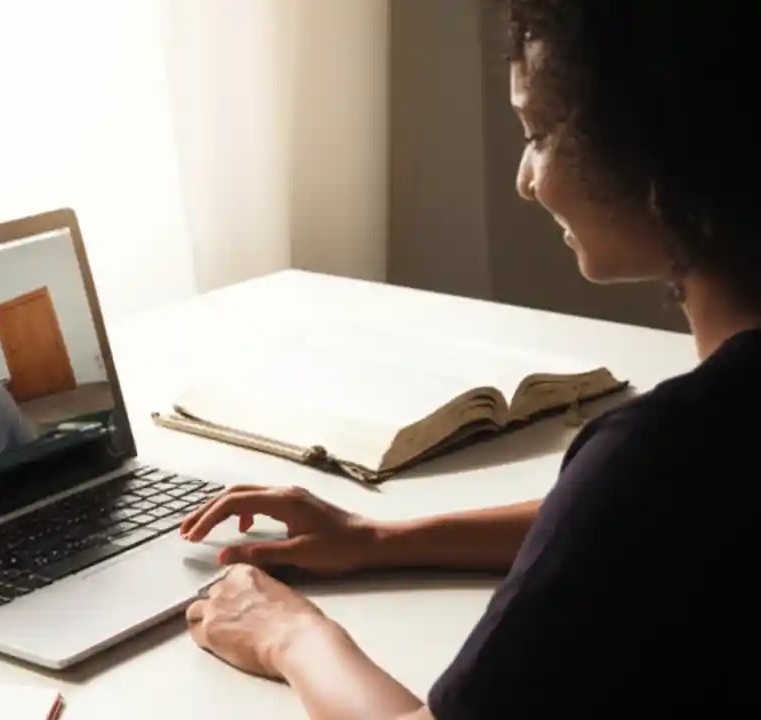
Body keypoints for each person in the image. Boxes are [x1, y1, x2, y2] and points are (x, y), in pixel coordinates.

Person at [177, 1, 759, 717]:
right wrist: (379, 540)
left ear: (657, 151)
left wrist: (288, 635)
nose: (525, 179)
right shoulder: (689, 466)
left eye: (539, 134)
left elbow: (637, 507)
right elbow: (638, 528)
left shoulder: (660, 457)